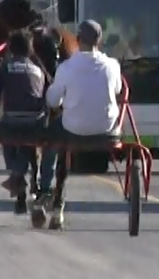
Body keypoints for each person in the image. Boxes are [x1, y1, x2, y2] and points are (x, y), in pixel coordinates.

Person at [41, 19, 123, 227]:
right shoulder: (113, 65)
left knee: (50, 138)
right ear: (99, 41)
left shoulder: (66, 67)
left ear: (77, 39)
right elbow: (118, 90)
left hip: (73, 129)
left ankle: (46, 190)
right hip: (107, 129)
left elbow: (53, 101)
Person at [0, 30, 52, 213]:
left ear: (10, 48)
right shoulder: (38, 69)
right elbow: (49, 95)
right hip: (36, 119)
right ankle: (28, 179)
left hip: (12, 118)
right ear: (30, 49)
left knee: (7, 137)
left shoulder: (6, 66)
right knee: (28, 141)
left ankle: (16, 173)